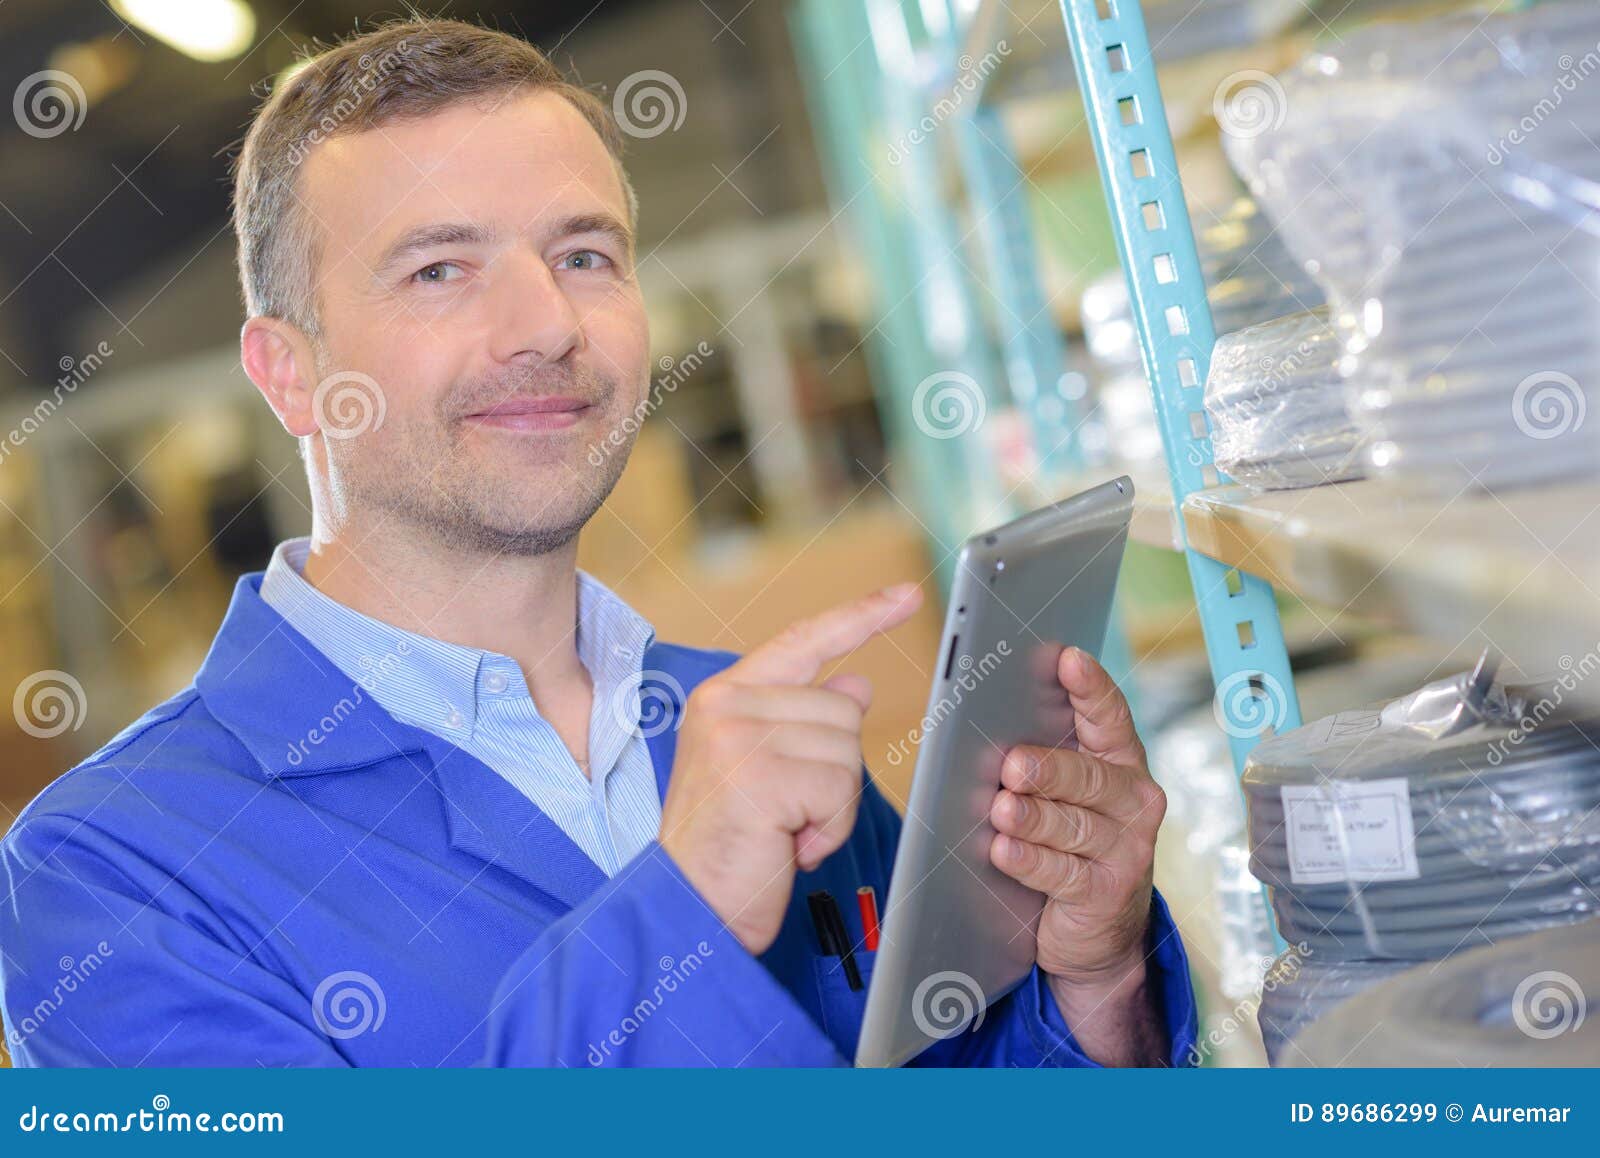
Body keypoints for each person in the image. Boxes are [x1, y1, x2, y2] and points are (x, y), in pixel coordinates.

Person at [0, 18, 1195, 1068]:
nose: (545, 324)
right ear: (290, 373)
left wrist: (1093, 987)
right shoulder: (108, 874)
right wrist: (687, 913)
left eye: (583, 255)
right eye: (438, 268)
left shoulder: (742, 724)